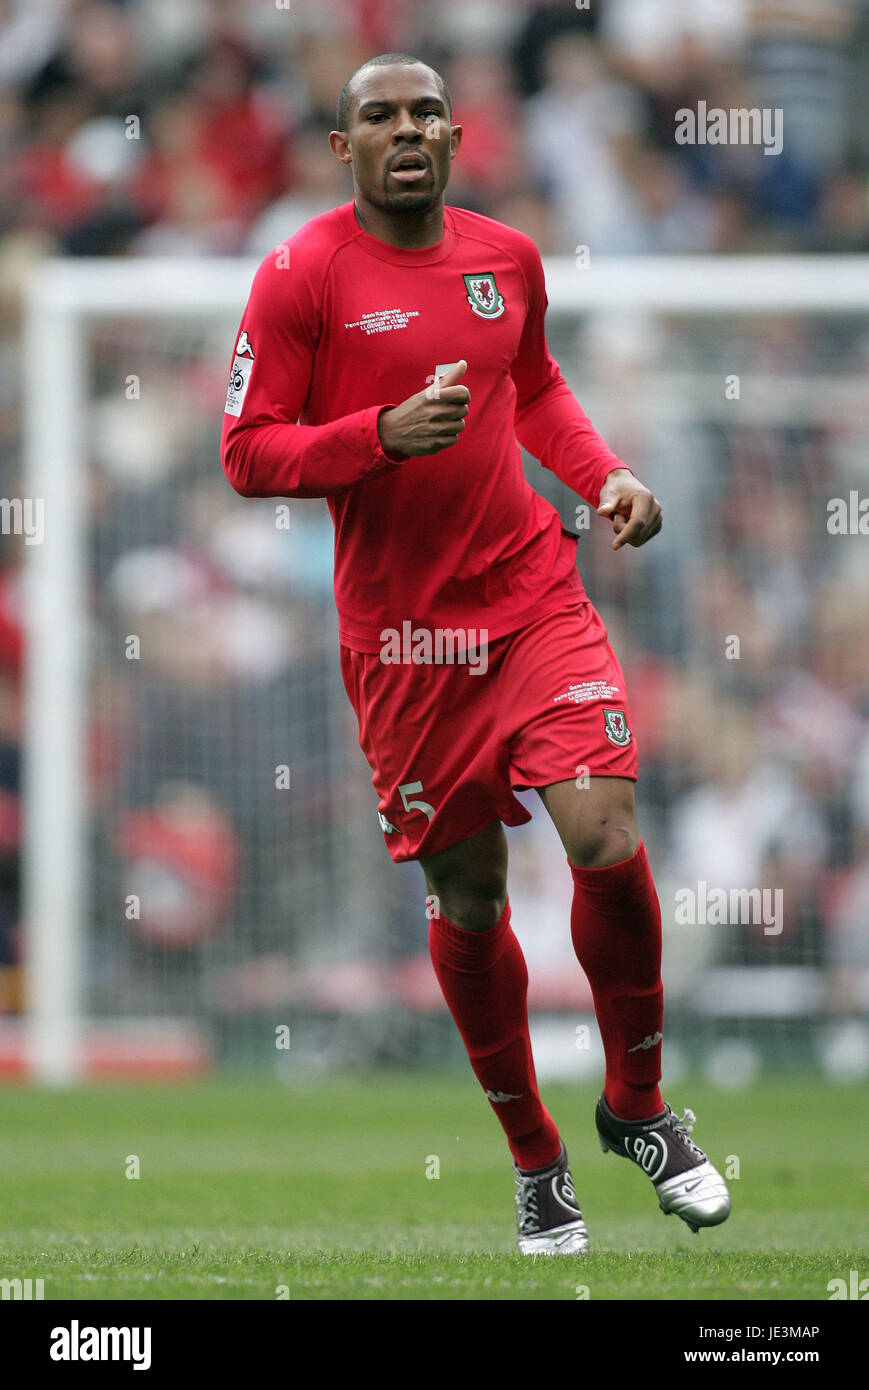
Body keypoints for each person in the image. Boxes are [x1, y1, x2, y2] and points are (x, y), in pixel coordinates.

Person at [220, 52, 731, 1254]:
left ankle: (640, 1106)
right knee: (468, 896)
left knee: (603, 832)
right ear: (342, 148)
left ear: (456, 136)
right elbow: (246, 452)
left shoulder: (507, 259)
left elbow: (536, 384)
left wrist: (602, 473)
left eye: (427, 112)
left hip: (528, 591)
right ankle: (533, 1157)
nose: (408, 130)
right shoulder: (300, 276)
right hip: (402, 640)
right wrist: (376, 436)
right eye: (380, 116)